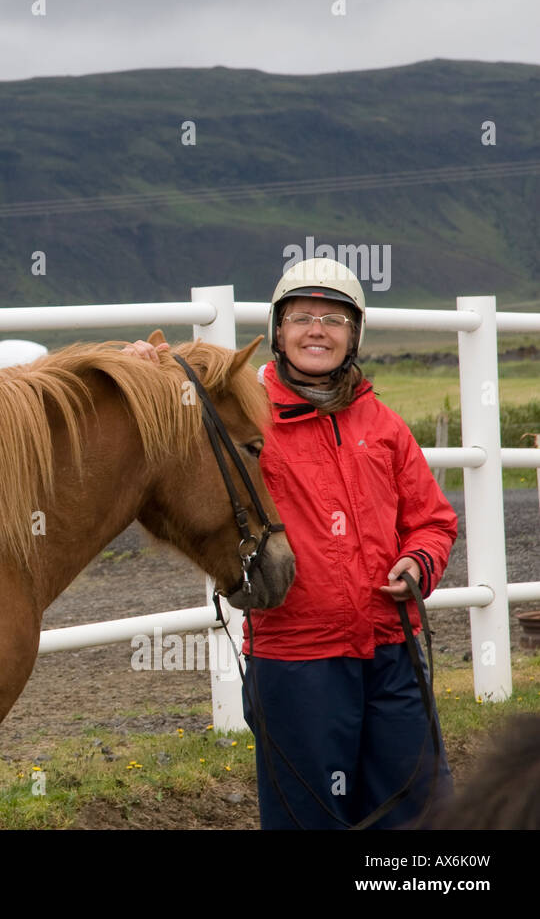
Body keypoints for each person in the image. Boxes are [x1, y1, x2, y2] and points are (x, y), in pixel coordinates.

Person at [123, 257, 458, 828]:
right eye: (302, 317)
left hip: (391, 649)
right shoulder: (246, 415)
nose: (317, 331)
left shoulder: (383, 425)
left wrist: (418, 562)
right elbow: (178, 390)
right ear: (278, 331)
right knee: (309, 817)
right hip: (298, 658)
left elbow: (433, 520)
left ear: (354, 334)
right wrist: (137, 367)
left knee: (423, 813)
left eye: (334, 319)